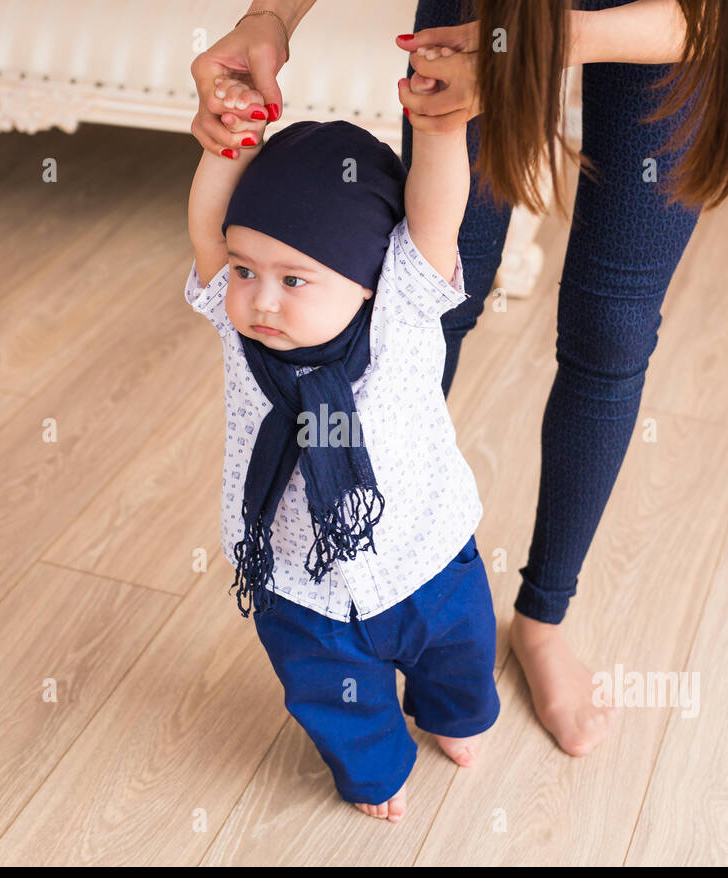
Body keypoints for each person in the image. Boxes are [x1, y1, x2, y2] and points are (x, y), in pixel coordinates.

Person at [190, 0, 728, 759]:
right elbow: (248, 247)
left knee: (611, 329)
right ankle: (387, 566)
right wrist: (270, 14)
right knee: (430, 300)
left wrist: (542, 49)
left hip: (684, 20)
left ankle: (542, 621)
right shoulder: (243, 310)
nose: (262, 294)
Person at [185, 103, 498, 822]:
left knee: (460, 661)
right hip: (304, 587)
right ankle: (376, 768)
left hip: (427, 559)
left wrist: (443, 128)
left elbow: (434, 214)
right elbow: (209, 228)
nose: (261, 300)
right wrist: (228, 146)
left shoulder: (401, 310)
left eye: (294, 280)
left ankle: (451, 713)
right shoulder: (240, 336)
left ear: (367, 280)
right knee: (329, 695)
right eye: (244, 271)